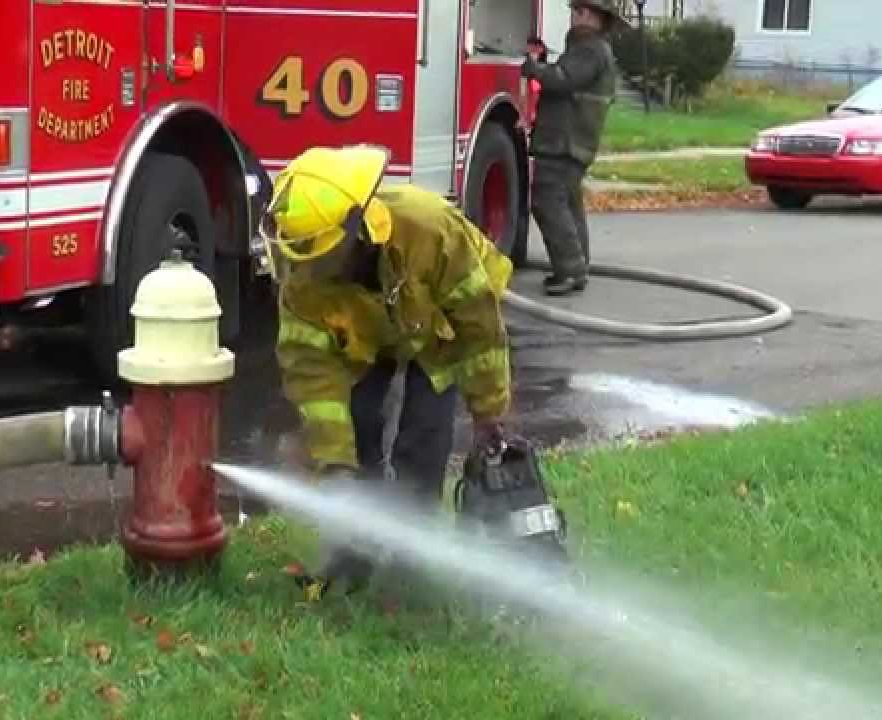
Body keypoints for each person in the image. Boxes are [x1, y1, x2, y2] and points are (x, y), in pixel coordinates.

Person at [258, 144, 515, 599]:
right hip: (371, 327)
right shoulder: (305, 284)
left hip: (441, 324)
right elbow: (313, 378)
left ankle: (409, 559)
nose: (303, 269)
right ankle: (359, 547)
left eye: (314, 255)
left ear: (354, 231)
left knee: (423, 436)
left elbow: (479, 329)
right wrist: (336, 466)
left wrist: (489, 412)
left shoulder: (426, 232)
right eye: (296, 255)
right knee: (356, 428)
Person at [522, 0, 626, 296]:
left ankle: (569, 270)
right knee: (568, 202)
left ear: (597, 19)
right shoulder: (591, 49)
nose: (574, 16)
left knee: (548, 201)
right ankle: (578, 267)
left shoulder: (590, 49)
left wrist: (534, 68)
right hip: (571, 141)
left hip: (564, 142)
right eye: (575, 10)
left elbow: (563, 80)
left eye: (581, 12)